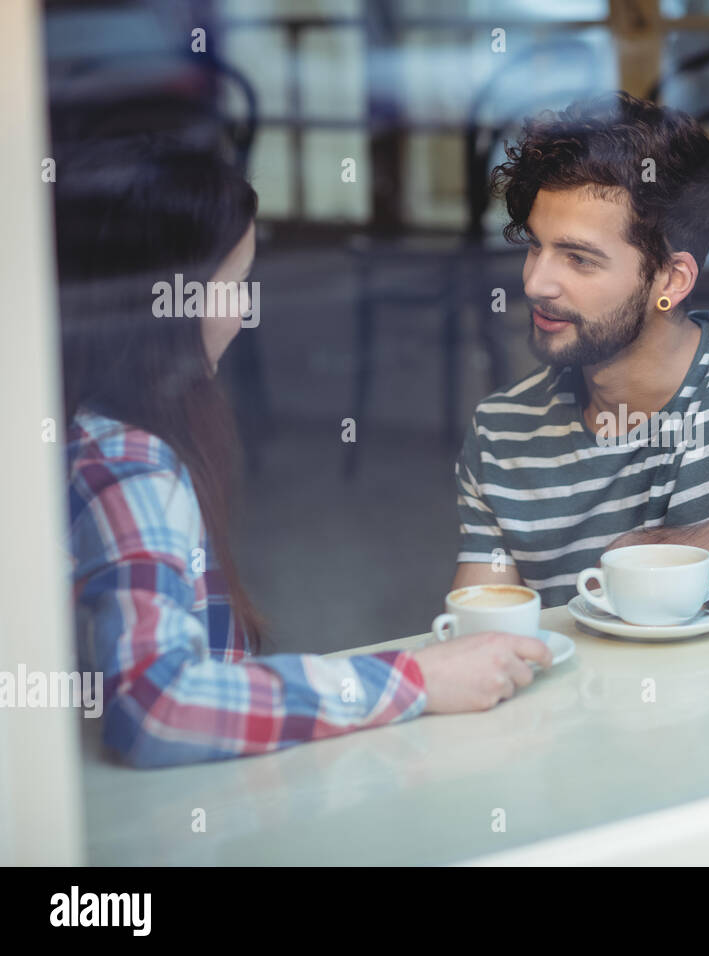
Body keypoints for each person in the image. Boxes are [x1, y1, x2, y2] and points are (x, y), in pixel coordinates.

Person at [59, 135, 550, 769]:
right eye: (234, 283)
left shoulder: (74, 433)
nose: (245, 310)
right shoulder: (128, 467)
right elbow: (159, 704)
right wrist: (414, 680)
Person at [452, 91, 709, 614]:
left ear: (671, 279)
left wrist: (639, 551)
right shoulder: (501, 432)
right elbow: (479, 639)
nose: (537, 282)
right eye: (536, 245)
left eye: (579, 259)